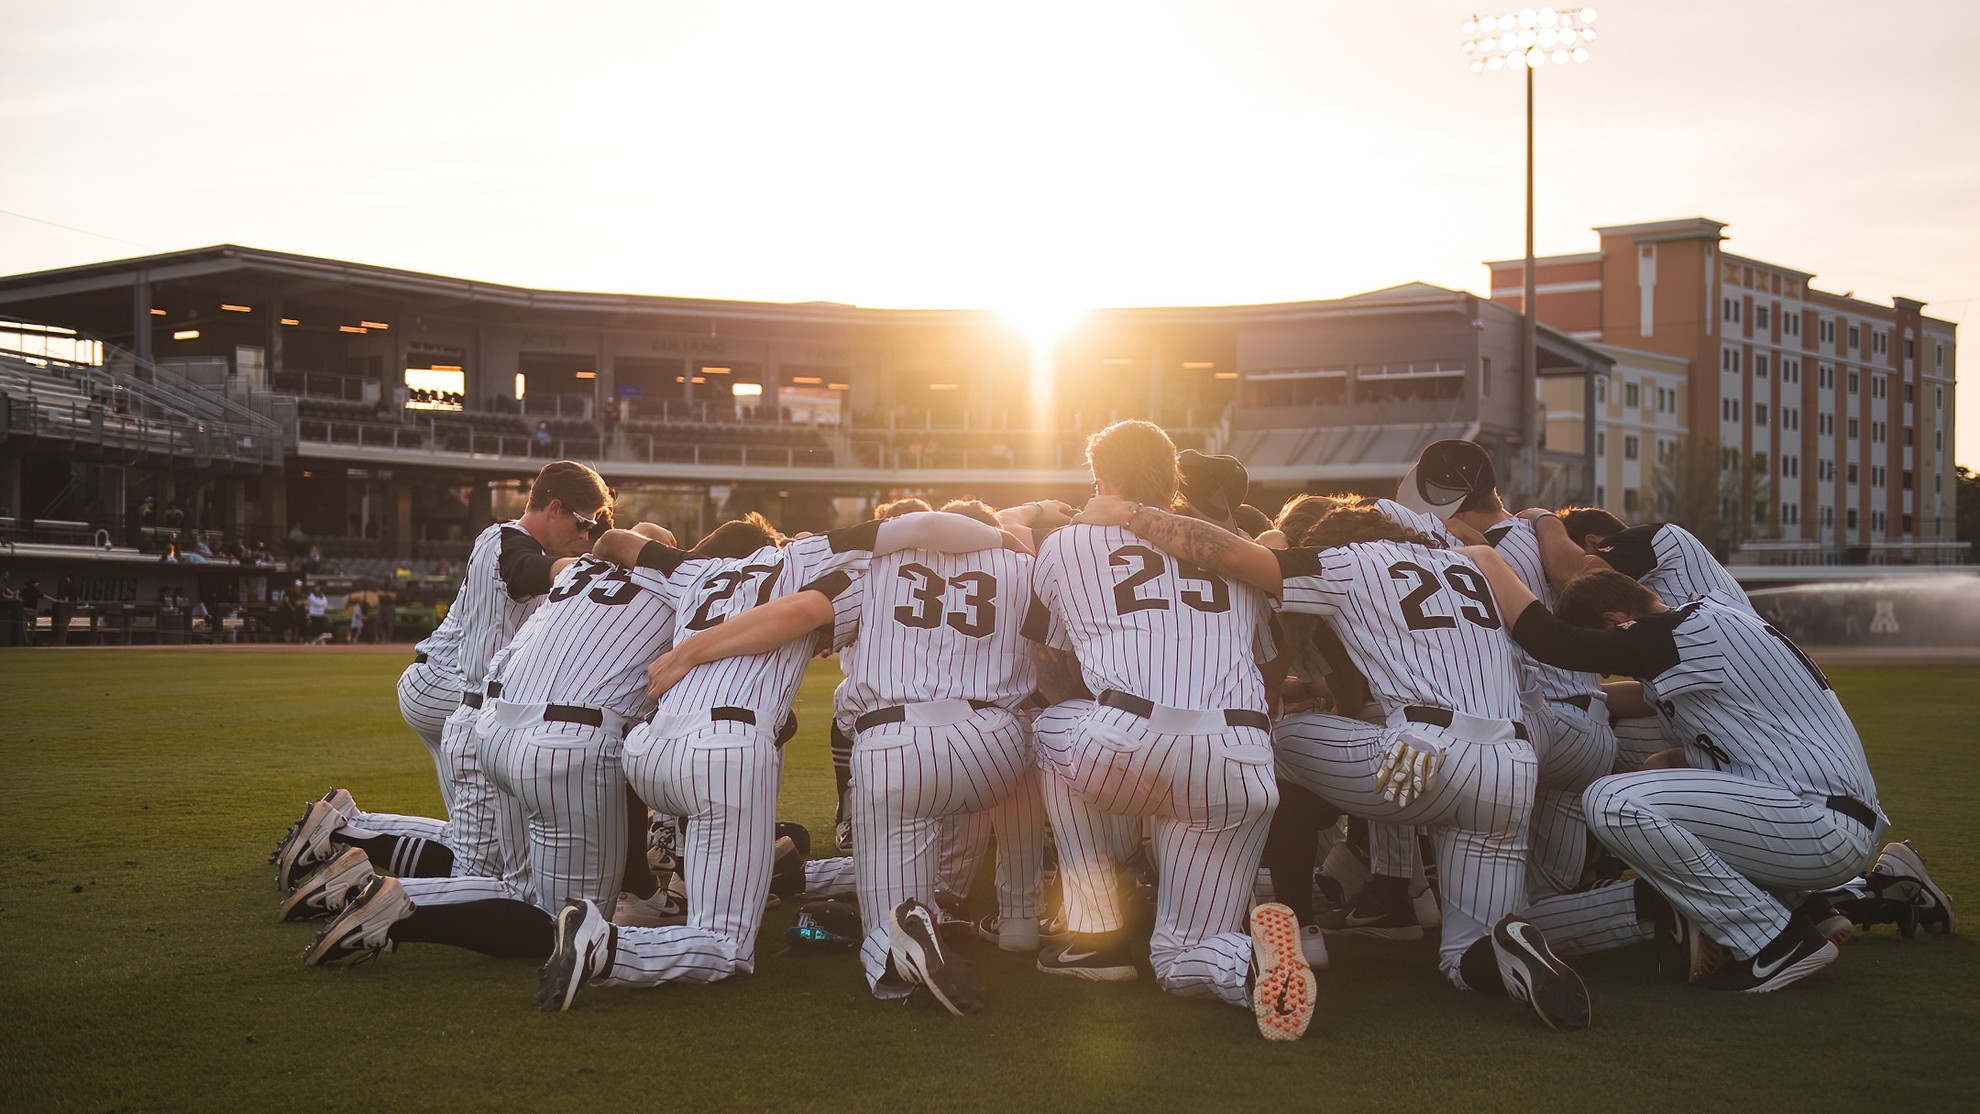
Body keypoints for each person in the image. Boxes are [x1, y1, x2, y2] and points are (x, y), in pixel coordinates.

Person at [1076, 494, 1590, 1031]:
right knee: (1464, 956)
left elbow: (1231, 555)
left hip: (1423, 753)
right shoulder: (1470, 566)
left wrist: (1136, 514)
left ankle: (1298, 919)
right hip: (1513, 763)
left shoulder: (1347, 560)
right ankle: (1507, 950)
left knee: (1272, 740)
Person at [530, 508, 1012, 1012]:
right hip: (726, 746)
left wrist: (605, 554)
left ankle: (686, 877)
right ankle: (606, 946)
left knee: (716, 832)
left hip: (650, 748)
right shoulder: (802, 556)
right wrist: (1004, 537)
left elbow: (613, 538)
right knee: (726, 945)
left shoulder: (693, 569)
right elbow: (925, 526)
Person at [1459, 555, 1889, 993]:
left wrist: (1485, 557)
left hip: (1817, 825)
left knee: (1612, 802)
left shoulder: (1680, 631)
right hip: (1818, 815)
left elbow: (1553, 642)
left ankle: (1774, 942)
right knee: (1633, 755)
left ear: (1615, 622)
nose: (1608, 665)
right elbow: (1639, 700)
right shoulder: (1704, 621)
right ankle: (1800, 908)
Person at [1028, 419, 1315, 1042]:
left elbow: (1050, 672)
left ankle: (1096, 935)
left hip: (1126, 739)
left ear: (1100, 477)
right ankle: (1242, 962)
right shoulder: (1228, 545)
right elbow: (1272, 661)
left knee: (1050, 727)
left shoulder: (1066, 544)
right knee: (1184, 951)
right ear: (1174, 477)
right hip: (1240, 758)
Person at [277, 461, 611, 894]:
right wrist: (588, 567)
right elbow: (523, 570)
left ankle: (347, 827)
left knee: (475, 843)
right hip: (444, 684)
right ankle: (358, 866)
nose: (587, 534)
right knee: (482, 858)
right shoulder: (504, 540)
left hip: (453, 693)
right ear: (555, 507)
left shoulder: (523, 547)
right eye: (584, 522)